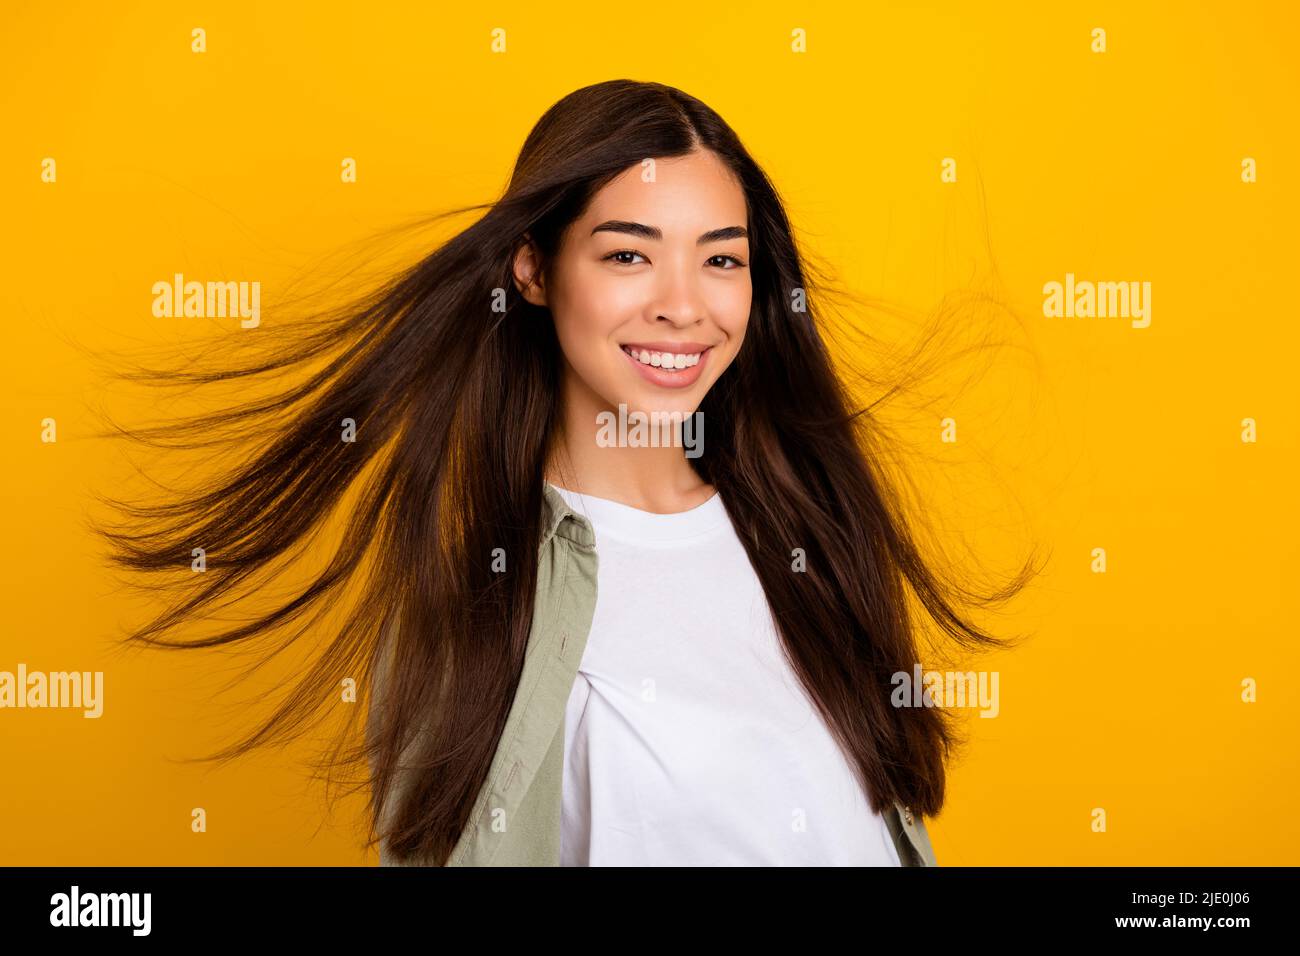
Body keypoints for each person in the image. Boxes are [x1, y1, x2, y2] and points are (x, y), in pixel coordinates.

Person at [96, 79, 1030, 868]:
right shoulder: (476, 616)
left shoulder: (809, 542)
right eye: (628, 254)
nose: (682, 307)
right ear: (535, 271)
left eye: (721, 261)